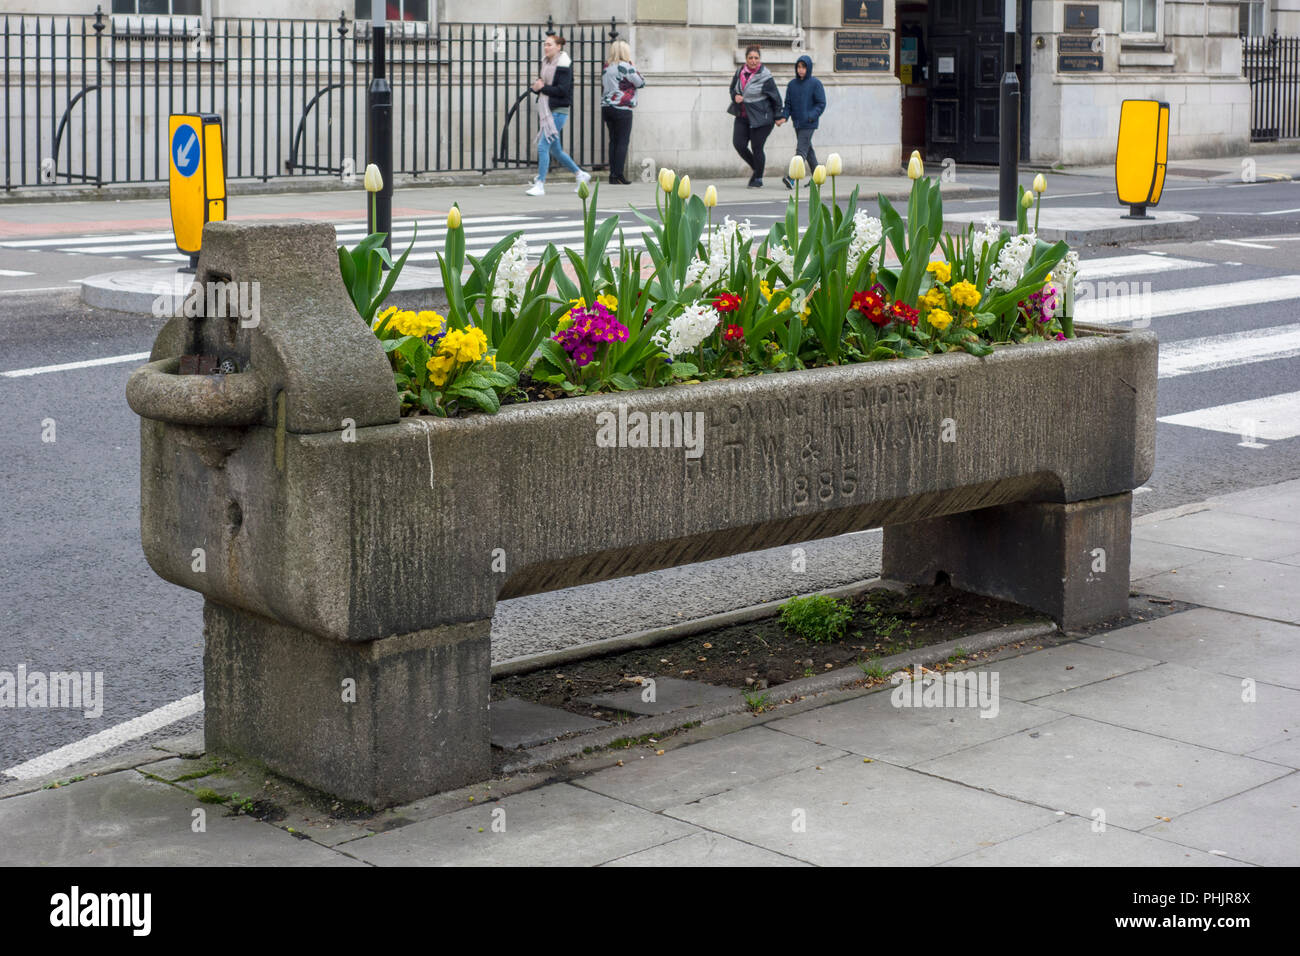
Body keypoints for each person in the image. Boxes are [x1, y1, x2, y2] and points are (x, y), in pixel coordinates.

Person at [527, 33, 592, 196]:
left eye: (549, 44)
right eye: (545, 44)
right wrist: (537, 87)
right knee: (555, 150)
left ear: (558, 47)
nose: (546, 47)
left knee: (543, 145)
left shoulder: (564, 65)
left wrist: (542, 88)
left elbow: (562, 90)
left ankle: (540, 184)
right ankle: (580, 174)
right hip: (548, 110)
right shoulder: (546, 63)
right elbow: (545, 85)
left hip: (558, 110)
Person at [728, 45, 783, 188]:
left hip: (762, 118)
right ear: (746, 59)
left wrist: (778, 116)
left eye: (756, 58)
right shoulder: (740, 72)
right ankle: (757, 167)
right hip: (743, 116)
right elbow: (732, 89)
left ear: (760, 60)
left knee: (757, 147)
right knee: (738, 144)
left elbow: (776, 98)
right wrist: (736, 96)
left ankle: (758, 177)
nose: (753, 61)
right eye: (750, 58)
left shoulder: (765, 76)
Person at [777, 55, 826, 189]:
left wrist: (811, 116)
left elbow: (821, 103)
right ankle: (818, 177)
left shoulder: (815, 83)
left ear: (808, 68)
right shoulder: (792, 85)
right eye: (798, 67)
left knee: (801, 150)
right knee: (808, 150)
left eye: (803, 67)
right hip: (797, 123)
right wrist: (784, 117)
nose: (800, 70)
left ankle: (792, 178)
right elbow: (788, 104)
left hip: (809, 123)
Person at [601, 40, 644, 185]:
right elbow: (640, 82)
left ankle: (612, 175)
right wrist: (633, 66)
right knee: (622, 142)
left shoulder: (607, 67)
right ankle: (618, 174)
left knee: (613, 141)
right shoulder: (627, 67)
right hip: (622, 107)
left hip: (607, 107)